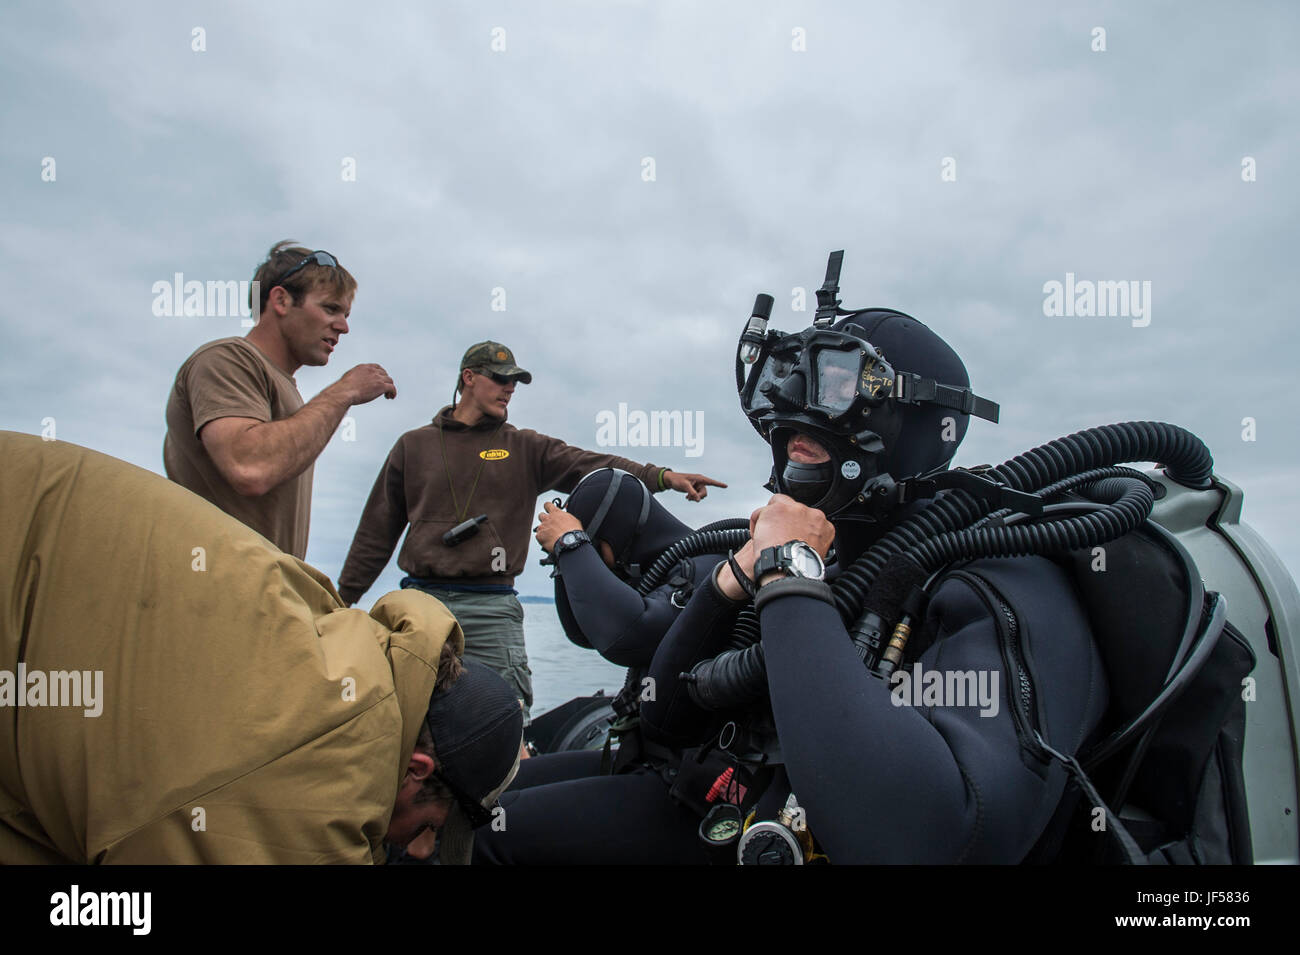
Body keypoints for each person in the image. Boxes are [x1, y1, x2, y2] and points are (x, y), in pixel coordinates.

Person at [472, 297, 1114, 865]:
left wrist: (790, 572)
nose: (791, 414)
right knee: (481, 814)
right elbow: (669, 714)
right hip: (725, 804)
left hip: (778, 830)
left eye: (831, 384)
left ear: (910, 417)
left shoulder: (990, 577)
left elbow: (938, 837)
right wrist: (735, 582)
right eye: (783, 380)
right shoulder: (822, 560)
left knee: (489, 839)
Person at [0, 431, 521, 864]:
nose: (419, 846)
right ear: (417, 769)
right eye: (428, 827)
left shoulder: (329, 622)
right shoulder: (307, 806)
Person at [336, 340, 725, 721]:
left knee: (505, 720)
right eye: (500, 378)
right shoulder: (413, 446)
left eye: (515, 382)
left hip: (491, 608)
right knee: (401, 715)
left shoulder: (524, 448)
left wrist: (662, 476)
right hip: (418, 602)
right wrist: (341, 601)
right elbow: (376, 530)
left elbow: (590, 463)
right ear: (468, 378)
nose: (510, 388)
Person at [164, 241, 397, 559]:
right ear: (281, 300)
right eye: (330, 308)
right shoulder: (225, 359)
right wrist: (345, 391)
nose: (343, 327)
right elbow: (249, 467)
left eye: (345, 314)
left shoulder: (287, 390)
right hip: (211, 593)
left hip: (261, 597)